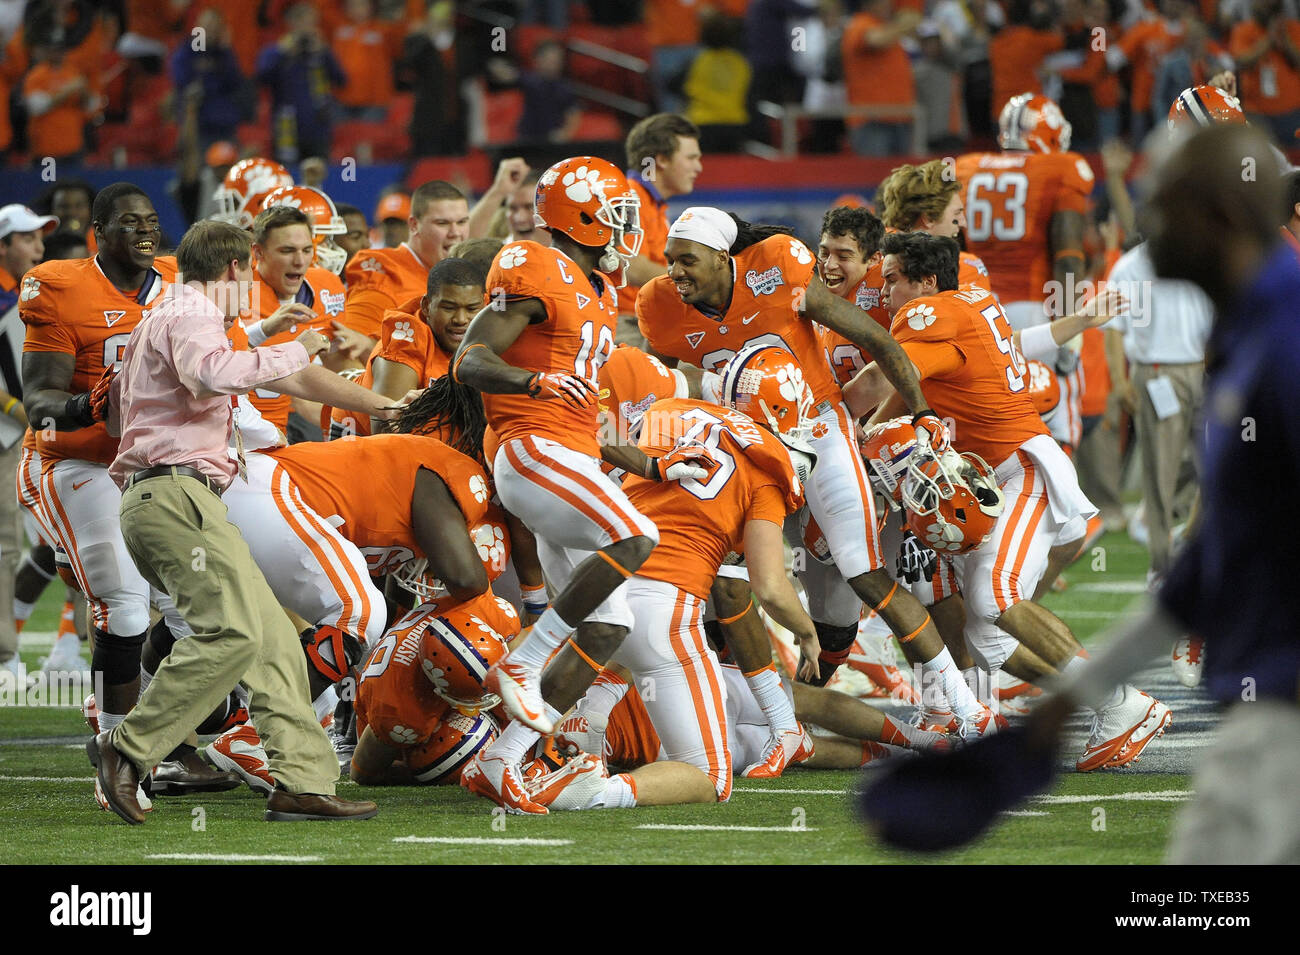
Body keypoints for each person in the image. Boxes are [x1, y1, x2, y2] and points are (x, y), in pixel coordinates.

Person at [1028, 122, 1298, 862]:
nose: (1148, 220)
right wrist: (1075, 699)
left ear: (1220, 214)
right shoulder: (1252, 326)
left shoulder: (1285, 336)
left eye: (1163, 202)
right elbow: (1214, 553)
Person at [637, 207, 998, 737]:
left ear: (722, 257)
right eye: (670, 261)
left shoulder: (777, 269)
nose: (675, 273)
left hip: (817, 428)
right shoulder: (661, 307)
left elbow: (881, 342)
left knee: (864, 572)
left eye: (687, 260)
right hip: (745, 444)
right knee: (723, 578)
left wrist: (920, 411)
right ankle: (757, 715)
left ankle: (967, 709)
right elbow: (658, 378)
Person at [85, 217, 400, 825]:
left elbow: (210, 382)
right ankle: (125, 749)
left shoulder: (173, 313)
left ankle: (302, 783)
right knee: (232, 635)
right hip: (178, 497)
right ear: (234, 268)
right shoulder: (192, 313)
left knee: (276, 642)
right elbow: (211, 372)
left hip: (174, 495)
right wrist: (298, 344)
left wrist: (375, 402)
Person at [845, 231, 1170, 771]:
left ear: (926, 282)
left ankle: (1121, 702)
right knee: (987, 637)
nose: (885, 293)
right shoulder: (970, 303)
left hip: (1020, 469)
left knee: (994, 596)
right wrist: (862, 440)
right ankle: (1098, 701)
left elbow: (882, 375)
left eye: (893, 280)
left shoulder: (930, 314)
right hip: (999, 477)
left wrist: (823, 428)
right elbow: (908, 385)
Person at [452, 156, 688, 812]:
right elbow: (468, 358)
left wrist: (651, 466)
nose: (622, 229)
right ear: (578, 215)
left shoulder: (597, 289)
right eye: (613, 215)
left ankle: (500, 761)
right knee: (636, 532)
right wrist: (530, 381)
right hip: (533, 449)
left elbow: (583, 412)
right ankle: (525, 660)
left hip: (568, 454)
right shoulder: (534, 262)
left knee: (610, 623)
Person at [329, 257, 483, 439]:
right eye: (449, 308)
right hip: (361, 446)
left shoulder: (492, 328)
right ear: (426, 306)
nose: (460, 319)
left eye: (472, 309)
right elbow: (386, 433)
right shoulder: (405, 344)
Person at [0, 204, 56, 682]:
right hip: (8, 434)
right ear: (3, 245)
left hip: (37, 431)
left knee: (67, 535)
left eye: (41, 238)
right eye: (26, 238)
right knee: (3, 543)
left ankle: (72, 647)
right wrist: (20, 411)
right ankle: (3, 657)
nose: (38, 247)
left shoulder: (33, 291)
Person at [344, 181, 469, 343]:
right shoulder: (383, 272)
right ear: (414, 225)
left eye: (462, 222)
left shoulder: (462, 273)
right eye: (442, 223)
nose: (456, 233)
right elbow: (351, 345)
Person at [617, 113, 702, 346]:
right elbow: (632, 267)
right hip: (624, 324)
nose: (699, 167)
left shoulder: (652, 205)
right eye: (691, 158)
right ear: (662, 160)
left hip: (645, 321)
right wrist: (704, 281)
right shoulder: (629, 198)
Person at [255, 2, 346, 166]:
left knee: (317, 177)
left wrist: (325, 52)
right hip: (287, 127)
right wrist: (282, 52)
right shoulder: (277, 50)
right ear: (291, 24)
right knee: (288, 177)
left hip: (317, 127)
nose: (307, 28)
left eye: (311, 23)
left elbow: (341, 80)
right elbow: (262, 77)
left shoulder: (319, 51)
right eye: (303, 22)